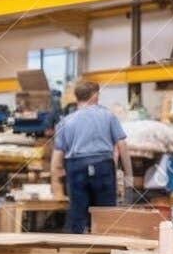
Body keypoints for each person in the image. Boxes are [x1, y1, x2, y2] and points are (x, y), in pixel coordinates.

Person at [51, 80, 131, 234]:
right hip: (103, 166)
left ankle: (77, 252)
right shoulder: (108, 116)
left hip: (76, 167)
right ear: (95, 95)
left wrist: (55, 183)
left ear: (77, 97)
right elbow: (122, 146)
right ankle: (103, 251)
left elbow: (57, 156)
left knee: (78, 215)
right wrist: (129, 174)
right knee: (105, 215)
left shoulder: (66, 122)